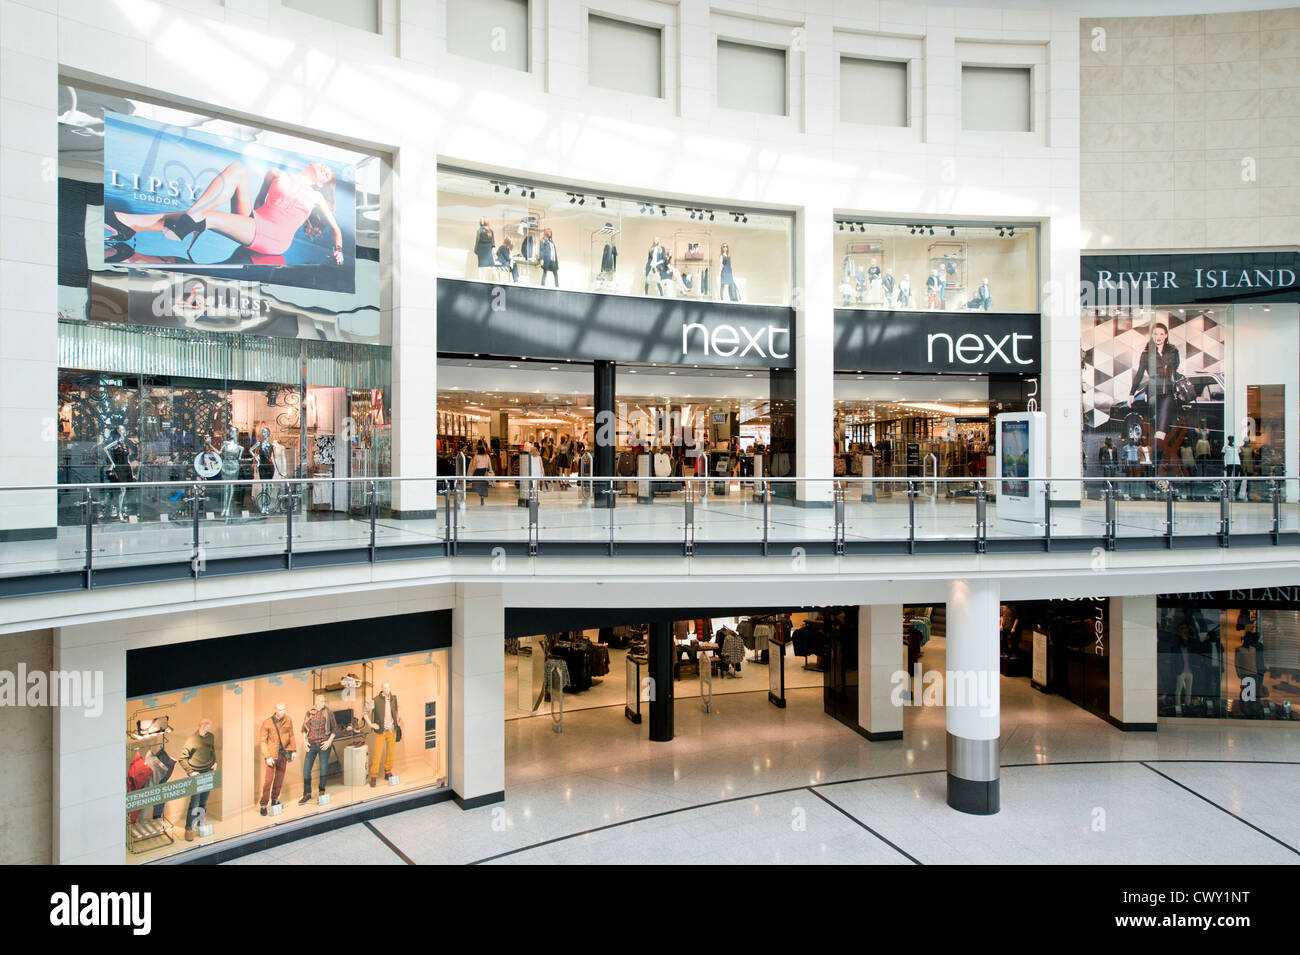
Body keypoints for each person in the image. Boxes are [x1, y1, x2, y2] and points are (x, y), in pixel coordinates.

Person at [107, 160, 345, 264]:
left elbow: (336, 230)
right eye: (325, 167)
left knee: (209, 217)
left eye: (328, 174)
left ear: (322, 184)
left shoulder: (316, 198)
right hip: (256, 221)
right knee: (238, 170)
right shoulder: (276, 174)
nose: (325, 170)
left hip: (274, 238)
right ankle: (134, 223)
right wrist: (246, 217)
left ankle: (185, 220)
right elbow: (259, 203)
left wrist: (339, 252)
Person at [1128, 322, 1181, 470]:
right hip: (1152, 393)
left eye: (1162, 334)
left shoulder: (1173, 351)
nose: (1158, 337)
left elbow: (1176, 370)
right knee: (1156, 430)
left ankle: (1154, 467)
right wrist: (1132, 393)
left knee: (1161, 431)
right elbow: (1139, 373)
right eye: (1155, 334)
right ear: (1151, 335)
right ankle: (1155, 465)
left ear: (1166, 335)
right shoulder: (1146, 353)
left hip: (1168, 392)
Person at [178, 718, 217, 841]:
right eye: (208, 726)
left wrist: (215, 762)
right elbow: (182, 758)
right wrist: (191, 772)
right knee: (194, 802)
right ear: (202, 726)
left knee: (204, 801)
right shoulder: (192, 740)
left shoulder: (210, 737)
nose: (209, 728)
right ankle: (189, 828)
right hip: (197, 773)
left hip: (208, 773)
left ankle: (201, 824)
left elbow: (212, 750)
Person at [258, 703, 296, 816]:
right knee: (268, 780)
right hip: (271, 755)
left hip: (283, 754)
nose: (282, 712)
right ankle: (263, 804)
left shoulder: (288, 720)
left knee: (279, 778)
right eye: (280, 710)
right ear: (275, 710)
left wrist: (293, 750)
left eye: (283, 709)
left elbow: (291, 735)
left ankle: (275, 799)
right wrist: (267, 756)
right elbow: (262, 741)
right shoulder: (267, 722)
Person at [298, 694, 336, 805]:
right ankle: (307, 793)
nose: (322, 703)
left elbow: (334, 729)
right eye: (320, 701)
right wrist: (304, 741)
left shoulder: (328, 712)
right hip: (311, 744)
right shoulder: (309, 712)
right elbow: (304, 728)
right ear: (316, 701)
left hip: (323, 744)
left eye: (324, 701)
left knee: (323, 769)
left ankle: (321, 791)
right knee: (306, 769)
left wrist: (329, 741)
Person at [366, 682, 403, 787]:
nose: (388, 689)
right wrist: (371, 724)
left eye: (389, 687)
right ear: (381, 688)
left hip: (392, 730)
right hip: (381, 731)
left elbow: (396, 709)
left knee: (390, 752)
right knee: (378, 754)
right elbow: (365, 712)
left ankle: (388, 772)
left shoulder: (393, 698)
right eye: (385, 687)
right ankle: (374, 776)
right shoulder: (376, 700)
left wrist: (397, 718)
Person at [470, 439, 493, 505]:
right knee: (483, 486)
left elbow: (473, 466)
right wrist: (491, 472)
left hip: (478, 472)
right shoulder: (487, 456)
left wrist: (471, 474)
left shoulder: (476, 456)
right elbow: (490, 465)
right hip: (484, 472)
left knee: (478, 485)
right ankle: (482, 497)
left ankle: (480, 496)